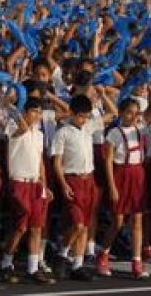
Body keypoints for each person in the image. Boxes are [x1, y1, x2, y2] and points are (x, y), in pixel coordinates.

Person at [51, 93, 113, 281]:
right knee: (77, 224)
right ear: (70, 113)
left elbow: (113, 112)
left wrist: (103, 94)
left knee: (85, 225)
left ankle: (78, 264)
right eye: (80, 115)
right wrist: (63, 184)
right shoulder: (63, 132)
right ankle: (62, 253)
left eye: (86, 116)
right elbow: (57, 162)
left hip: (89, 180)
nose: (83, 119)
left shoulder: (88, 127)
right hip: (73, 179)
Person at [1, 97, 53, 284]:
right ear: (25, 112)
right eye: (33, 111)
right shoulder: (13, 127)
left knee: (36, 227)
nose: (37, 116)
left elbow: (40, 163)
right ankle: (6, 262)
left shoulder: (39, 134)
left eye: (39, 112)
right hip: (19, 182)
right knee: (20, 226)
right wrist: (11, 106)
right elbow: (22, 128)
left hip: (35, 184)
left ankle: (32, 268)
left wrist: (45, 186)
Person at [98, 97, 150, 279]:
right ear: (121, 113)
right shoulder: (114, 134)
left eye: (136, 113)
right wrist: (112, 186)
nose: (133, 116)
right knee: (118, 221)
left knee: (137, 220)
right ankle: (104, 252)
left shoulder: (140, 129)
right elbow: (108, 162)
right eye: (129, 112)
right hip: (121, 176)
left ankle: (136, 260)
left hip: (138, 176)